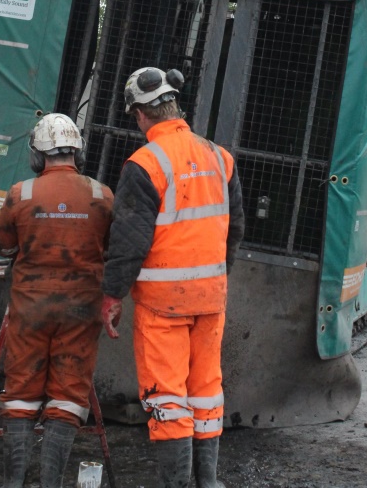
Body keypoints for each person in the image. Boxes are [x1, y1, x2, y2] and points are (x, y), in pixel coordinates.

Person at [101, 67, 245, 488]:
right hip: (210, 298)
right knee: (205, 391)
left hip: (163, 306)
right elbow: (234, 230)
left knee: (167, 397)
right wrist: (216, 278)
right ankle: (209, 482)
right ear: (174, 107)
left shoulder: (145, 164)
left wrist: (111, 296)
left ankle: (177, 483)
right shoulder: (220, 157)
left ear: (140, 114)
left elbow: (129, 243)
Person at [0, 112, 113, 488]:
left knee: (22, 393)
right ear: (78, 152)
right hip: (81, 309)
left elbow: (3, 243)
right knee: (69, 396)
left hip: (31, 308)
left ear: (37, 155)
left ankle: (13, 483)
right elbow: (111, 247)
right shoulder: (102, 195)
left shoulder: (20, 194)